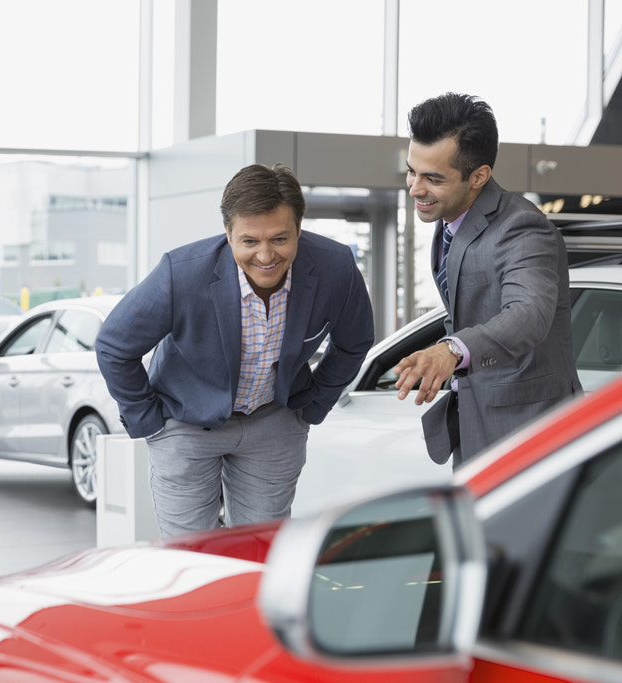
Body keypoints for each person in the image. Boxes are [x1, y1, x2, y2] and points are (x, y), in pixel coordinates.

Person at [95, 163, 375, 538]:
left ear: (299, 228)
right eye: (249, 241)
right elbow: (114, 346)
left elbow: (354, 341)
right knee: (192, 556)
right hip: (186, 422)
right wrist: (150, 423)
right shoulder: (182, 272)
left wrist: (313, 406)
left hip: (274, 421)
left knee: (261, 553)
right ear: (228, 233)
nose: (265, 256)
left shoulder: (335, 266)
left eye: (279, 239)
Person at [394, 92, 581, 467]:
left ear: (479, 176)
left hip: (527, 430)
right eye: (412, 171)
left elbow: (528, 313)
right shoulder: (451, 219)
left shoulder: (522, 227)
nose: (415, 188)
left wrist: (450, 351)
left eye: (432, 178)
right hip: (476, 422)